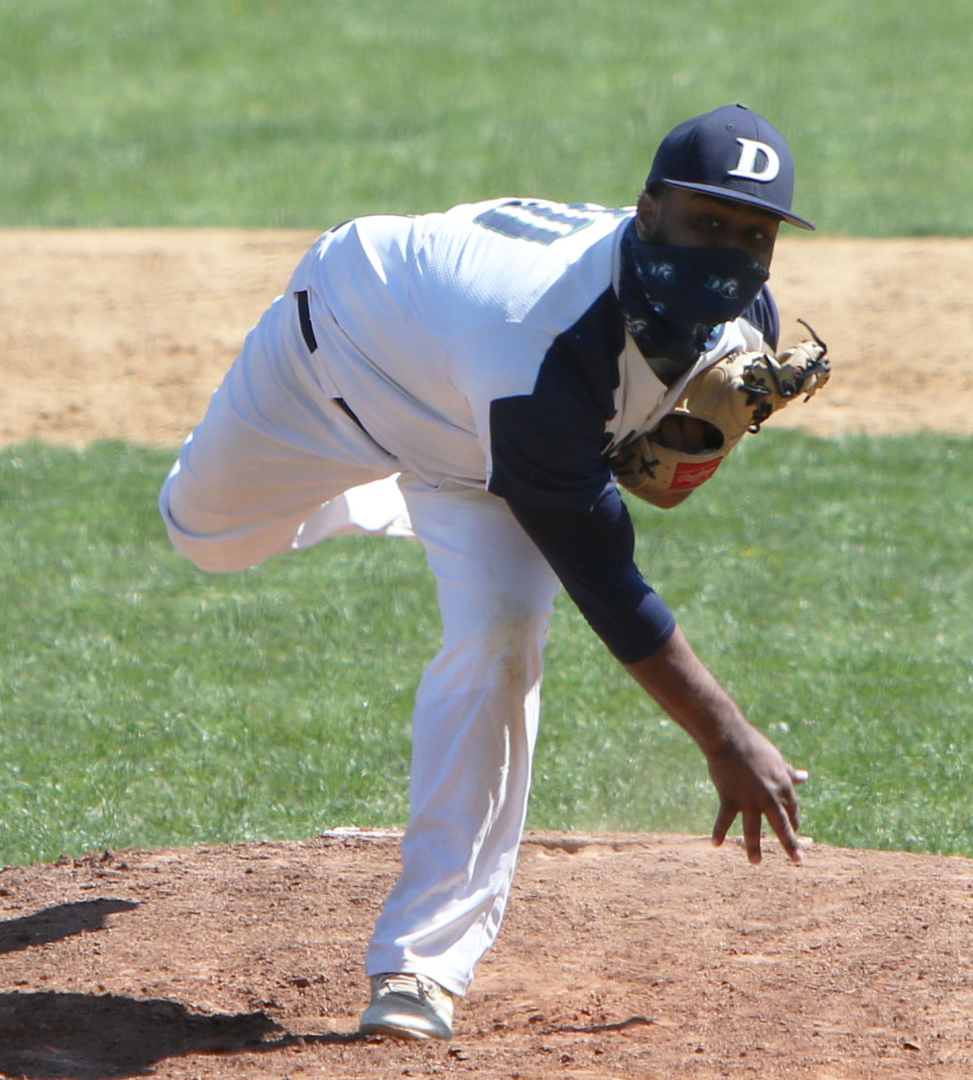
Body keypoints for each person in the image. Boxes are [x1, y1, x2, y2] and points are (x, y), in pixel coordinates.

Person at [159, 103, 815, 1041]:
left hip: (493, 448)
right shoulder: (538, 346)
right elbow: (610, 587)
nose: (729, 252)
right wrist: (725, 735)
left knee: (504, 638)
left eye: (754, 234)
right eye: (706, 221)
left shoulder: (742, 320)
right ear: (648, 210)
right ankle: (394, 496)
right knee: (203, 536)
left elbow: (637, 462)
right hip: (338, 361)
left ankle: (420, 968)